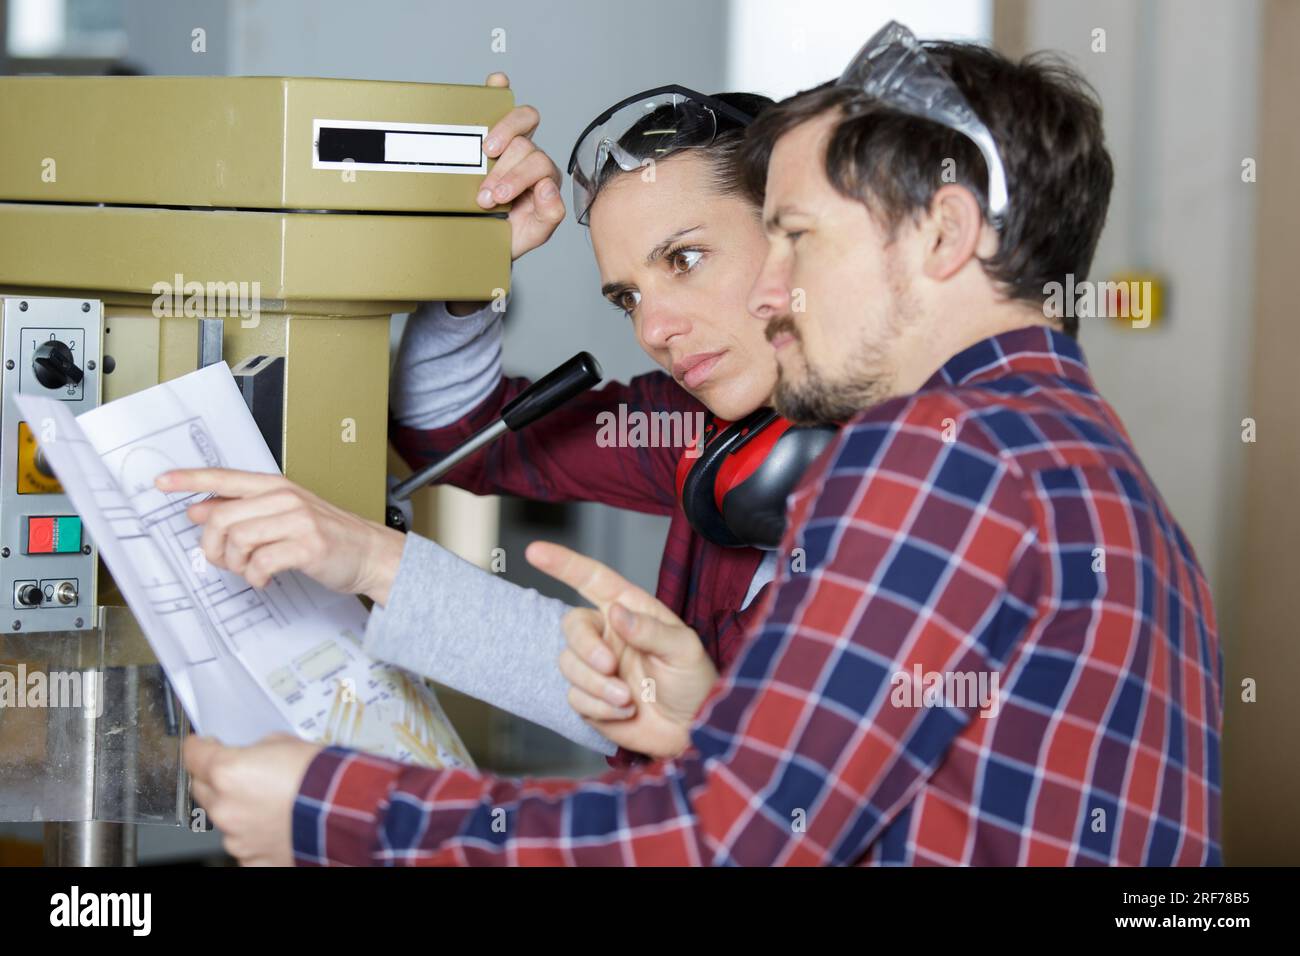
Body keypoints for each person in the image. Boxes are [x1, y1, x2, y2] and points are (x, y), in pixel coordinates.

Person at [185, 25, 1221, 866]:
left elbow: (719, 835)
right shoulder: (1080, 456)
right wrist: (709, 723)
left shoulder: (940, 453)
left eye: (796, 235)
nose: (773, 291)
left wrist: (336, 809)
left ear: (943, 235)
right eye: (631, 293)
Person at [160, 75, 809, 764]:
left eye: (685, 259)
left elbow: (730, 731)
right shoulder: (704, 425)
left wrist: (377, 562)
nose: (653, 328)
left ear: (797, 235)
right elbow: (459, 439)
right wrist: (476, 256)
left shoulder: (905, 480)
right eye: (627, 298)